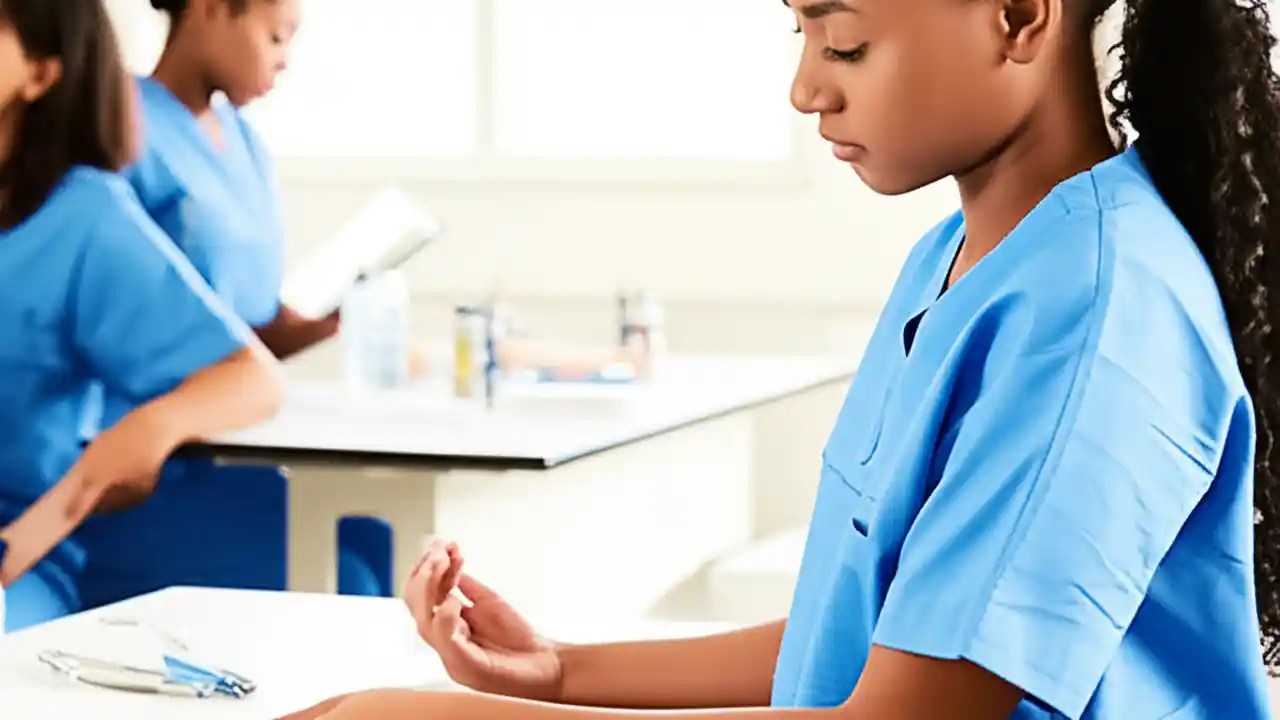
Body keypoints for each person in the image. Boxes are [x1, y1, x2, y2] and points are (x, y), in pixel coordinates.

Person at [284, 0, 1280, 719]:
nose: (805, 87)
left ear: (1018, 17)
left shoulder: (1098, 311)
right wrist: (562, 671)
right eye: (799, 35)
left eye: (843, 40)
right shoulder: (959, 260)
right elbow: (869, 648)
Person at [73, 0, 391, 607]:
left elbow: (239, 327)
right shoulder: (117, 126)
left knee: (381, 541)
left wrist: (313, 322)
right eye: (275, 36)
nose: (284, 61)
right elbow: (119, 309)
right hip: (143, 468)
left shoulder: (245, 143)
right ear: (212, 9)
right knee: (349, 578)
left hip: (231, 451)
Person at [0, 0, 283, 631]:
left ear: (40, 75)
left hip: (16, 556)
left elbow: (250, 377)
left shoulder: (79, 219)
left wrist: (142, 434)